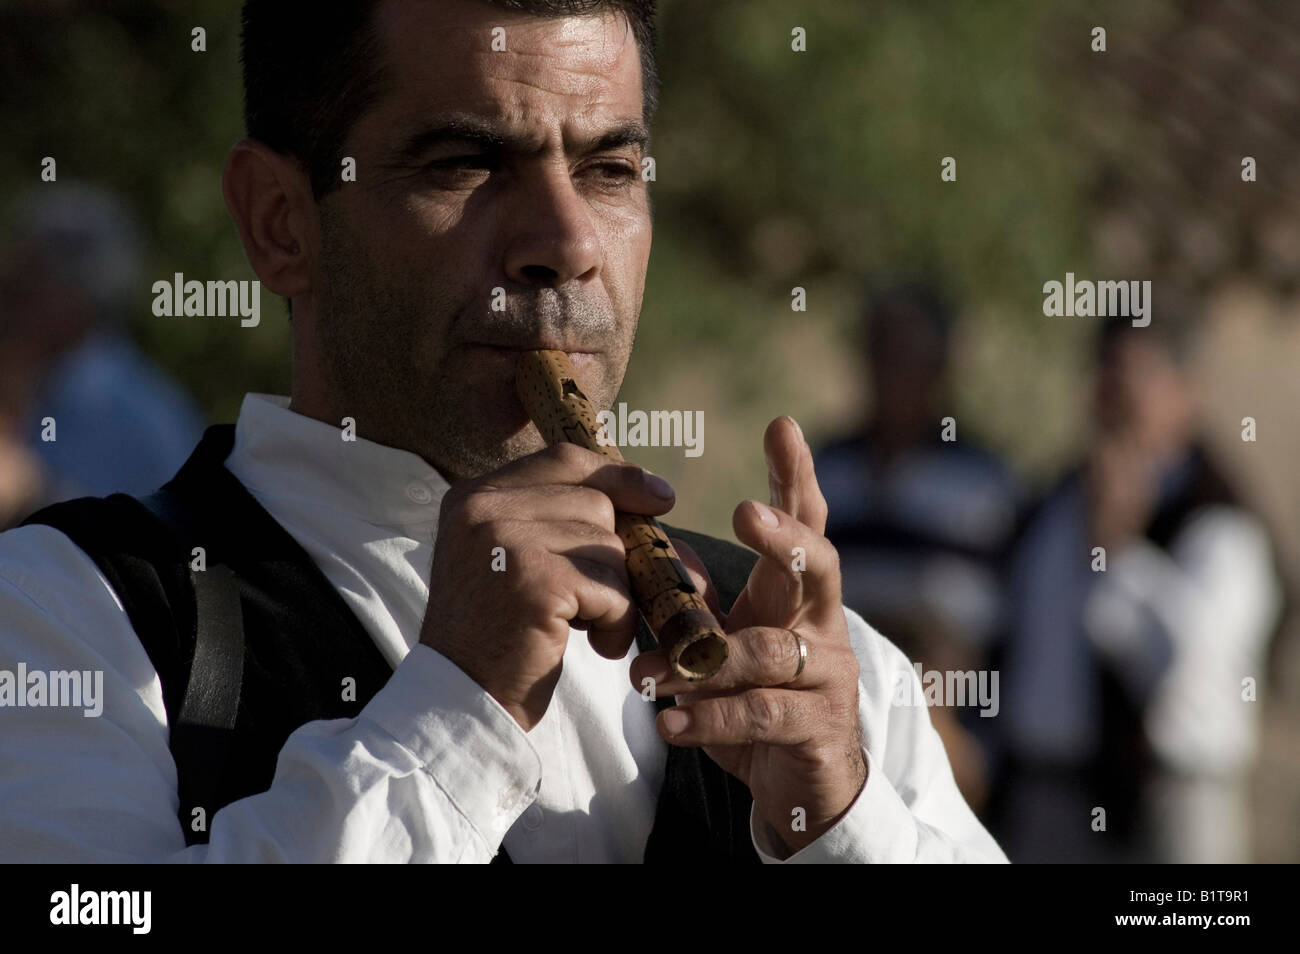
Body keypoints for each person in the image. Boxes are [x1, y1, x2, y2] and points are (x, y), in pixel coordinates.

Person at [0, 0, 1005, 863]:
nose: (565, 245)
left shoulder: (820, 664)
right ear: (278, 222)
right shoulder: (61, 616)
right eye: (466, 165)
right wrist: (455, 711)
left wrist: (837, 820)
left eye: (610, 171)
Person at [990, 314, 1283, 862]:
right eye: (1105, 374)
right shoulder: (1051, 510)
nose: (1114, 395)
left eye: (1135, 375)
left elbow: (1186, 668)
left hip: (1172, 805)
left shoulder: (1220, 524)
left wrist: (1117, 551)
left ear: (1186, 392)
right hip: (1050, 800)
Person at [813, 283, 1020, 808]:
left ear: (942, 366)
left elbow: (1004, 621)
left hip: (952, 726)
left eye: (911, 357)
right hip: (839, 710)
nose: (895, 373)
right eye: (883, 354)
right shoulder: (827, 468)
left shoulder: (984, 479)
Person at [0, 185, 205, 529]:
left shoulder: (140, 419)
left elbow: (145, 547)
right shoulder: (31, 379)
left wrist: (33, 493)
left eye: (27, 283)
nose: (8, 299)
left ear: (77, 296)